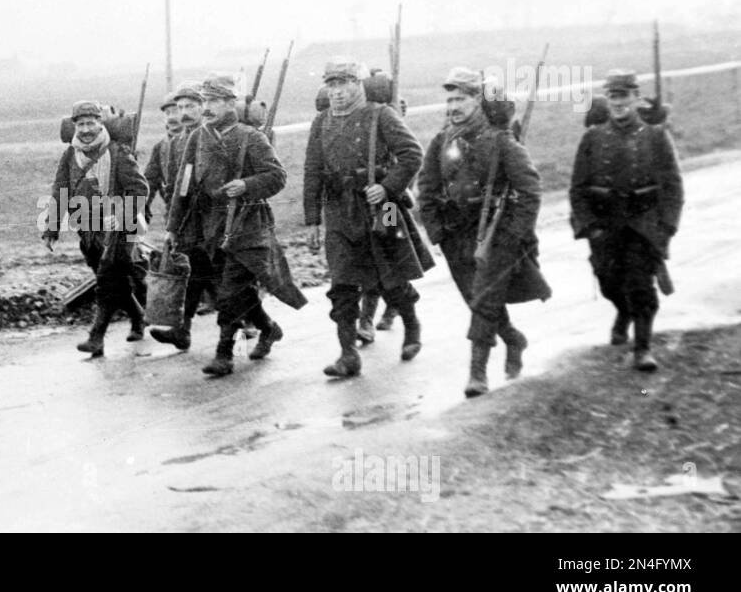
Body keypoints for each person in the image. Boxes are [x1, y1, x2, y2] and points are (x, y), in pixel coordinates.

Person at [417, 68, 550, 397]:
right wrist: (436, 231)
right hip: (455, 233)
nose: (453, 106)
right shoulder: (443, 139)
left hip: (496, 232)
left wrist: (513, 234)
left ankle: (477, 374)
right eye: (449, 99)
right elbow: (427, 185)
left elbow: (530, 190)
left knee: (485, 301)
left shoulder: (501, 140)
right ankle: (513, 339)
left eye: (461, 98)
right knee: (475, 298)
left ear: (479, 101)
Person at [166, 75, 305, 376]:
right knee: (238, 290)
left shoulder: (250, 137)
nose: (208, 108)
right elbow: (183, 186)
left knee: (229, 293)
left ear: (231, 103)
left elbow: (277, 176)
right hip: (211, 228)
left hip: (246, 225)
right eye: (206, 102)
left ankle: (224, 354)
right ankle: (268, 328)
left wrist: (246, 184)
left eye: (215, 101)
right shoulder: (197, 139)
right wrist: (172, 227)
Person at [303, 58, 427, 378]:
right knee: (342, 283)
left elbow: (413, 155)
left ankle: (411, 326)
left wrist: (387, 188)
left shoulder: (380, 115)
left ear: (359, 84)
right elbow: (312, 171)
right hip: (339, 211)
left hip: (383, 207)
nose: (337, 91)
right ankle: (348, 354)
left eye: (344, 83)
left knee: (390, 273)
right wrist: (313, 219)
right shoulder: (321, 122)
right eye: (331, 84)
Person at [569, 70, 684, 371]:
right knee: (608, 282)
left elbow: (673, 186)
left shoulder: (656, 136)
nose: (618, 103)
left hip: (642, 223)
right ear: (607, 100)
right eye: (612, 97)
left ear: (635, 97)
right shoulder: (593, 138)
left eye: (624, 96)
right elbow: (578, 189)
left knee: (640, 284)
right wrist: (589, 225)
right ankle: (624, 313)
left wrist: (666, 226)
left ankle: (642, 348)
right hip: (605, 226)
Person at [44, 101, 150, 357]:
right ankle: (139, 317)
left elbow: (140, 189)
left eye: (91, 123)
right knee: (116, 282)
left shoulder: (117, 152)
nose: (86, 129)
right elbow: (61, 191)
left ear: (101, 124)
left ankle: (96, 338)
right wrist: (51, 229)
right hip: (88, 231)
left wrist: (122, 214)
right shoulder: (70, 156)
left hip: (120, 231)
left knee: (105, 282)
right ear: (74, 127)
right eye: (81, 124)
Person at [142, 84, 214, 351]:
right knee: (194, 276)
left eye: (180, 109)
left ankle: (259, 326)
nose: (174, 116)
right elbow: (148, 183)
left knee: (222, 281)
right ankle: (183, 330)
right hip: (184, 223)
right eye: (170, 111)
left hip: (209, 221)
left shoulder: (205, 138)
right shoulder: (164, 148)